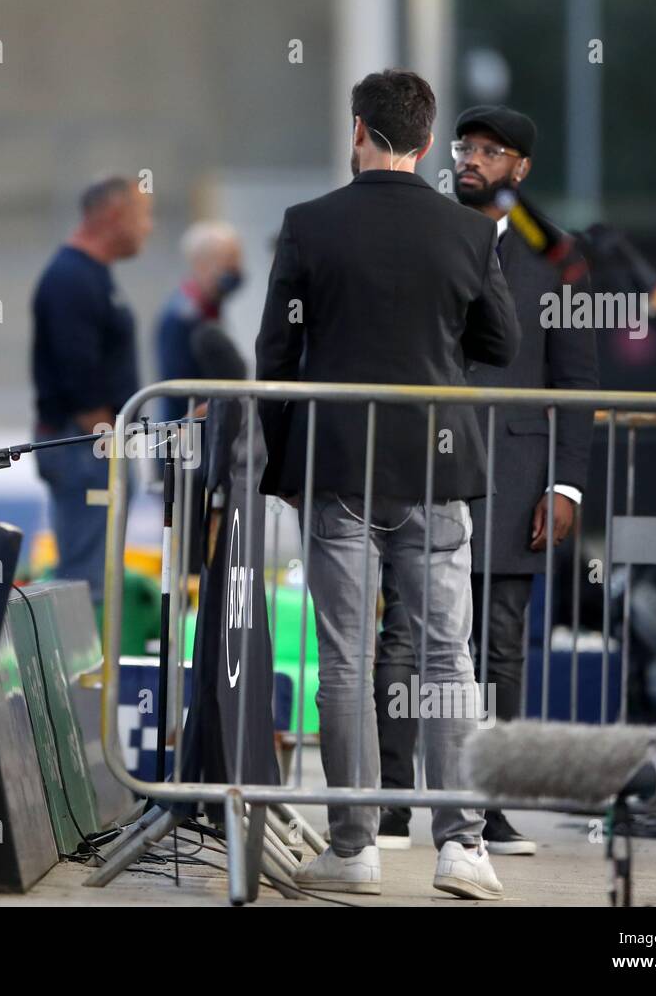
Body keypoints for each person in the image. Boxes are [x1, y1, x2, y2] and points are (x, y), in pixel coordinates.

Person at [256, 69, 519, 898]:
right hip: (438, 469)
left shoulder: (308, 225)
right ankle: (462, 847)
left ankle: (355, 847)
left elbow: (274, 356)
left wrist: (283, 465)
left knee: (344, 660)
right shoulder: (470, 232)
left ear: (358, 130)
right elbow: (503, 343)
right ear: (430, 141)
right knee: (449, 659)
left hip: (338, 469)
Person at [375, 106, 599, 856]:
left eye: (490, 151)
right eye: (465, 147)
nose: (471, 159)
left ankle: (486, 808)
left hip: (517, 476)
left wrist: (565, 488)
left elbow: (576, 378)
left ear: (521, 168)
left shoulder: (563, 255)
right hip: (425, 467)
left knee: (501, 644)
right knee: (405, 635)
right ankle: (391, 802)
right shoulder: (424, 228)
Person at [30, 175, 153, 606]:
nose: (148, 228)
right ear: (113, 215)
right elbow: (77, 374)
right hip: (83, 447)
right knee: (85, 582)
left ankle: (85, 672)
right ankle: (78, 675)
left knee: (94, 576)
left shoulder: (91, 277)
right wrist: (106, 440)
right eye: (143, 216)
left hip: (91, 447)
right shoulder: (70, 279)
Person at [156, 220, 244, 422]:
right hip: (187, 439)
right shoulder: (182, 317)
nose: (236, 268)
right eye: (229, 260)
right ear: (201, 263)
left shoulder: (210, 310)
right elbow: (179, 391)